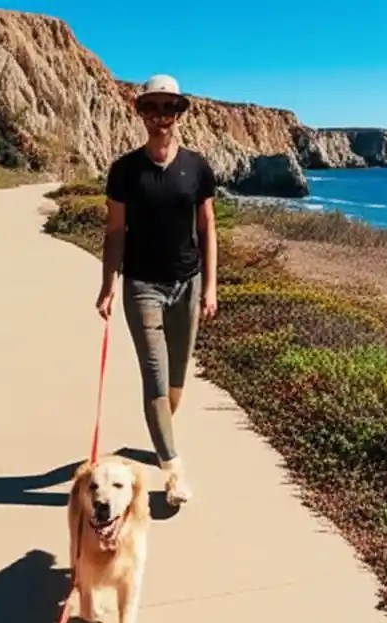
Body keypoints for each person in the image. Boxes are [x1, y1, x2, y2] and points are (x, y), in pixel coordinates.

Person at [96, 74, 219, 507]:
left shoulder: (197, 167)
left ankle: (159, 433)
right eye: (152, 108)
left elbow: (207, 227)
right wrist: (108, 285)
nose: (160, 117)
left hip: (188, 285)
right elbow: (114, 232)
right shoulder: (125, 171)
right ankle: (173, 470)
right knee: (155, 377)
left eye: (169, 108)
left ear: (180, 113)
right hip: (142, 286)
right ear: (140, 111)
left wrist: (210, 287)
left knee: (176, 384)